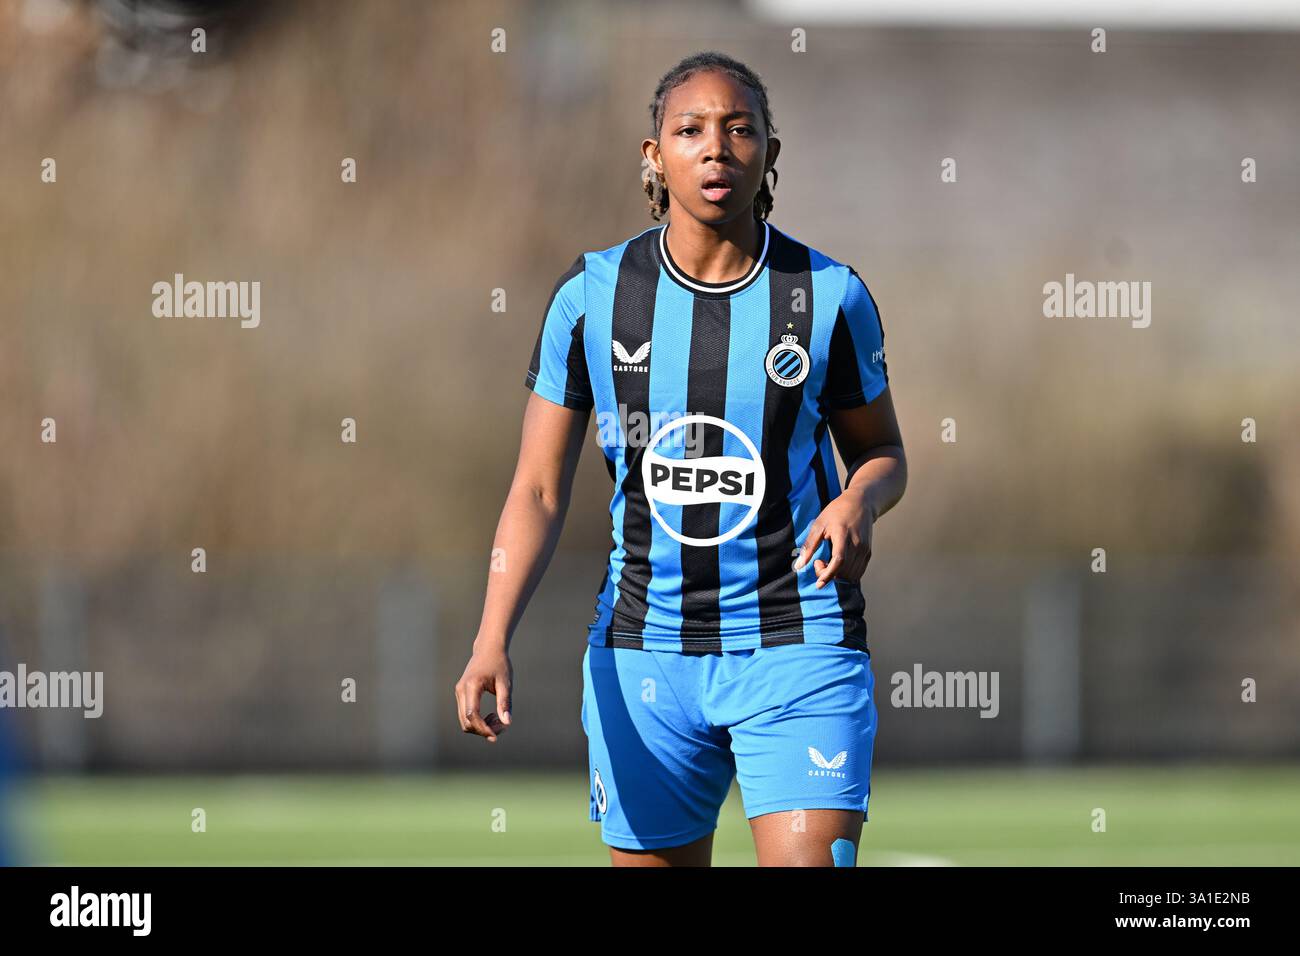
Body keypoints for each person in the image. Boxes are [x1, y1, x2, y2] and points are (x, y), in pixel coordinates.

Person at [455, 51, 906, 866]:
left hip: (798, 645)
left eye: (740, 130)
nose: (716, 148)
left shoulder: (830, 295)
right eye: (690, 129)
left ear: (771, 151)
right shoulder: (592, 296)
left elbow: (882, 452)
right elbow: (536, 490)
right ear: (653, 156)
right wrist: (491, 638)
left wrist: (859, 500)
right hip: (645, 655)